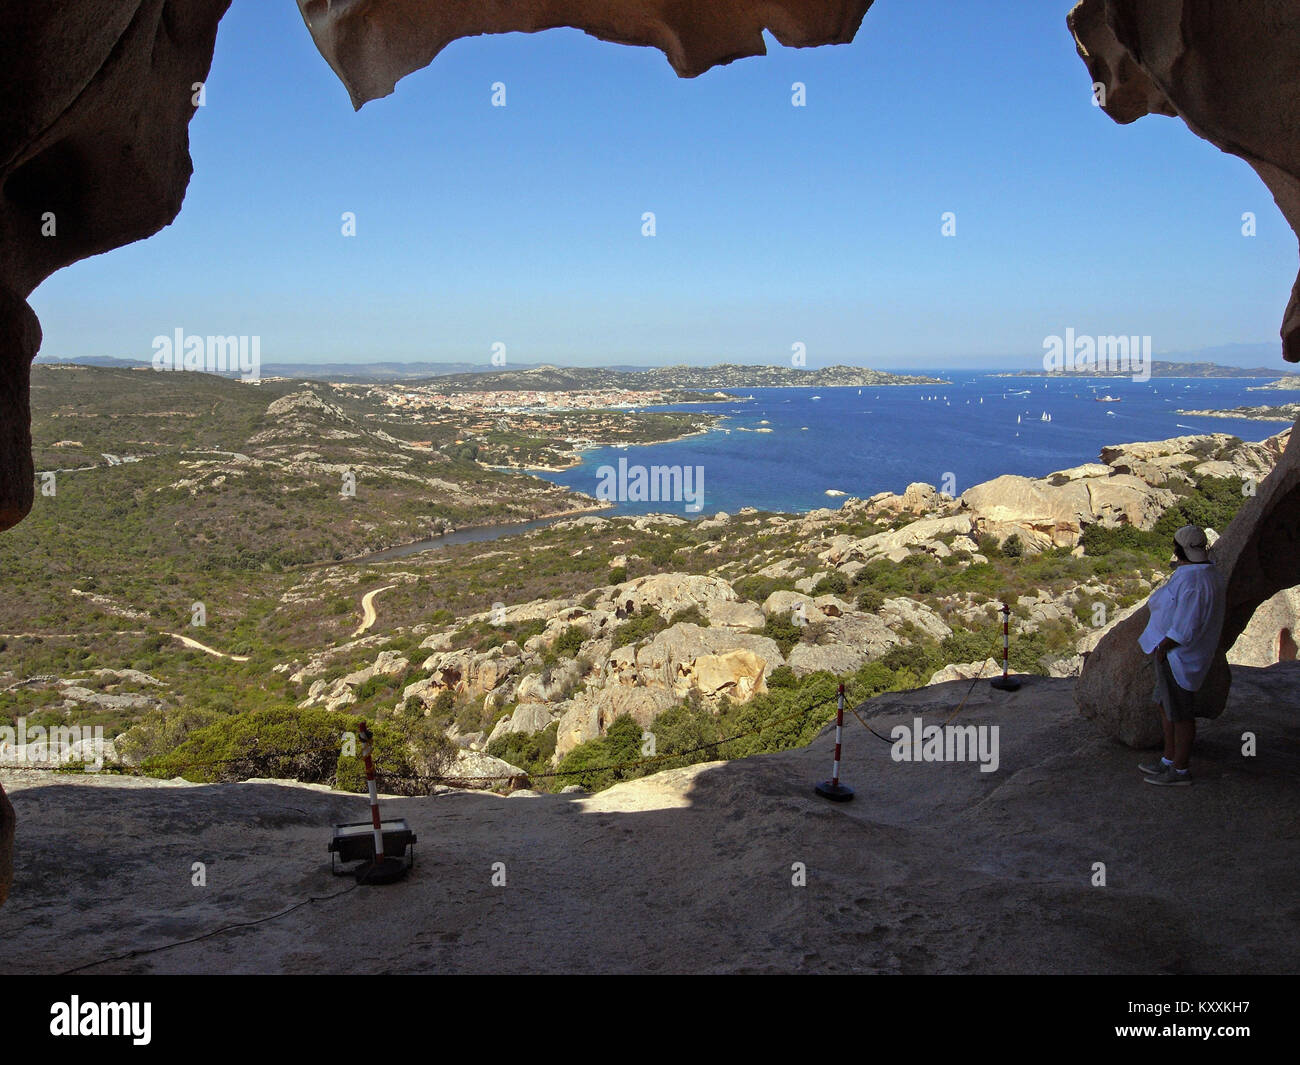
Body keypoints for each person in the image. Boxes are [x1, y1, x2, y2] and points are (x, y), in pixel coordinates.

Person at [1137, 525, 1226, 786]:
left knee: (1181, 713)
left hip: (1178, 656)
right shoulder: (1205, 573)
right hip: (1177, 653)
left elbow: (1187, 625)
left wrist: (1165, 645)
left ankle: (1180, 770)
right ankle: (1168, 760)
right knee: (1166, 705)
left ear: (1178, 549)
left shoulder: (1194, 579)